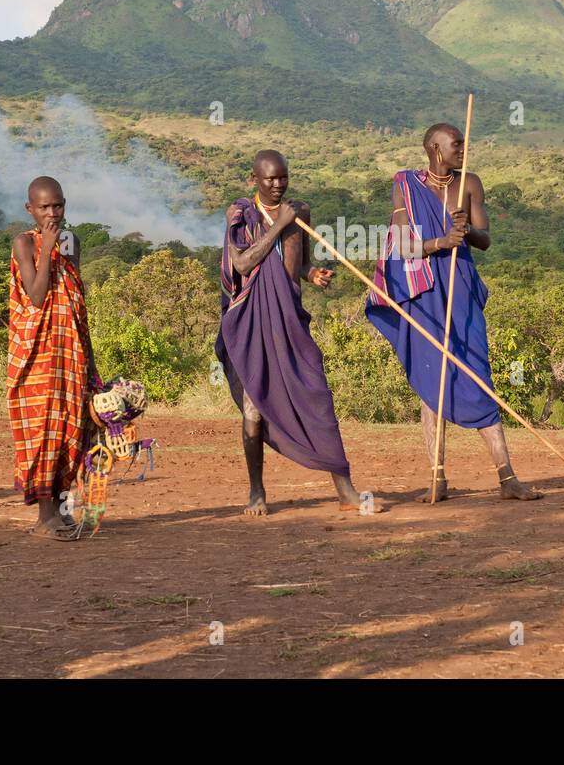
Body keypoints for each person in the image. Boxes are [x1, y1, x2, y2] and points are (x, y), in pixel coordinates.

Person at [366, 122, 542, 503]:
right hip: (426, 291)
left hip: (461, 290)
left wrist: (466, 230)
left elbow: (485, 239)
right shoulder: (406, 186)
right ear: (434, 149)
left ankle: (507, 477)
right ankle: (437, 480)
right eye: (456, 144)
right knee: (434, 381)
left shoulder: (471, 183)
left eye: (462, 143)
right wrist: (441, 240)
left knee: (478, 373)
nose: (462, 149)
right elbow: (402, 245)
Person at [214, 150, 380, 516]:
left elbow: (299, 262)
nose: (277, 185)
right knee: (254, 408)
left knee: (318, 396)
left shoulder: (300, 212)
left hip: (290, 320)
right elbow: (241, 263)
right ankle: (257, 490)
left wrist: (313, 274)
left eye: (282, 177)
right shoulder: (240, 214)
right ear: (253, 180)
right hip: (252, 324)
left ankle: (346, 490)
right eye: (269, 179)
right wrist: (278, 224)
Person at [7, 176, 97, 540]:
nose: (52, 213)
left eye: (57, 205)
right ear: (30, 209)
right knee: (45, 433)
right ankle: (44, 520)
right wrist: (45, 247)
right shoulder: (23, 243)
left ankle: (62, 514)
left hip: (69, 353)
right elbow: (39, 294)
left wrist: (91, 363)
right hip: (37, 358)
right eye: (43, 207)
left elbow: (76, 304)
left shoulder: (72, 242)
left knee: (71, 432)